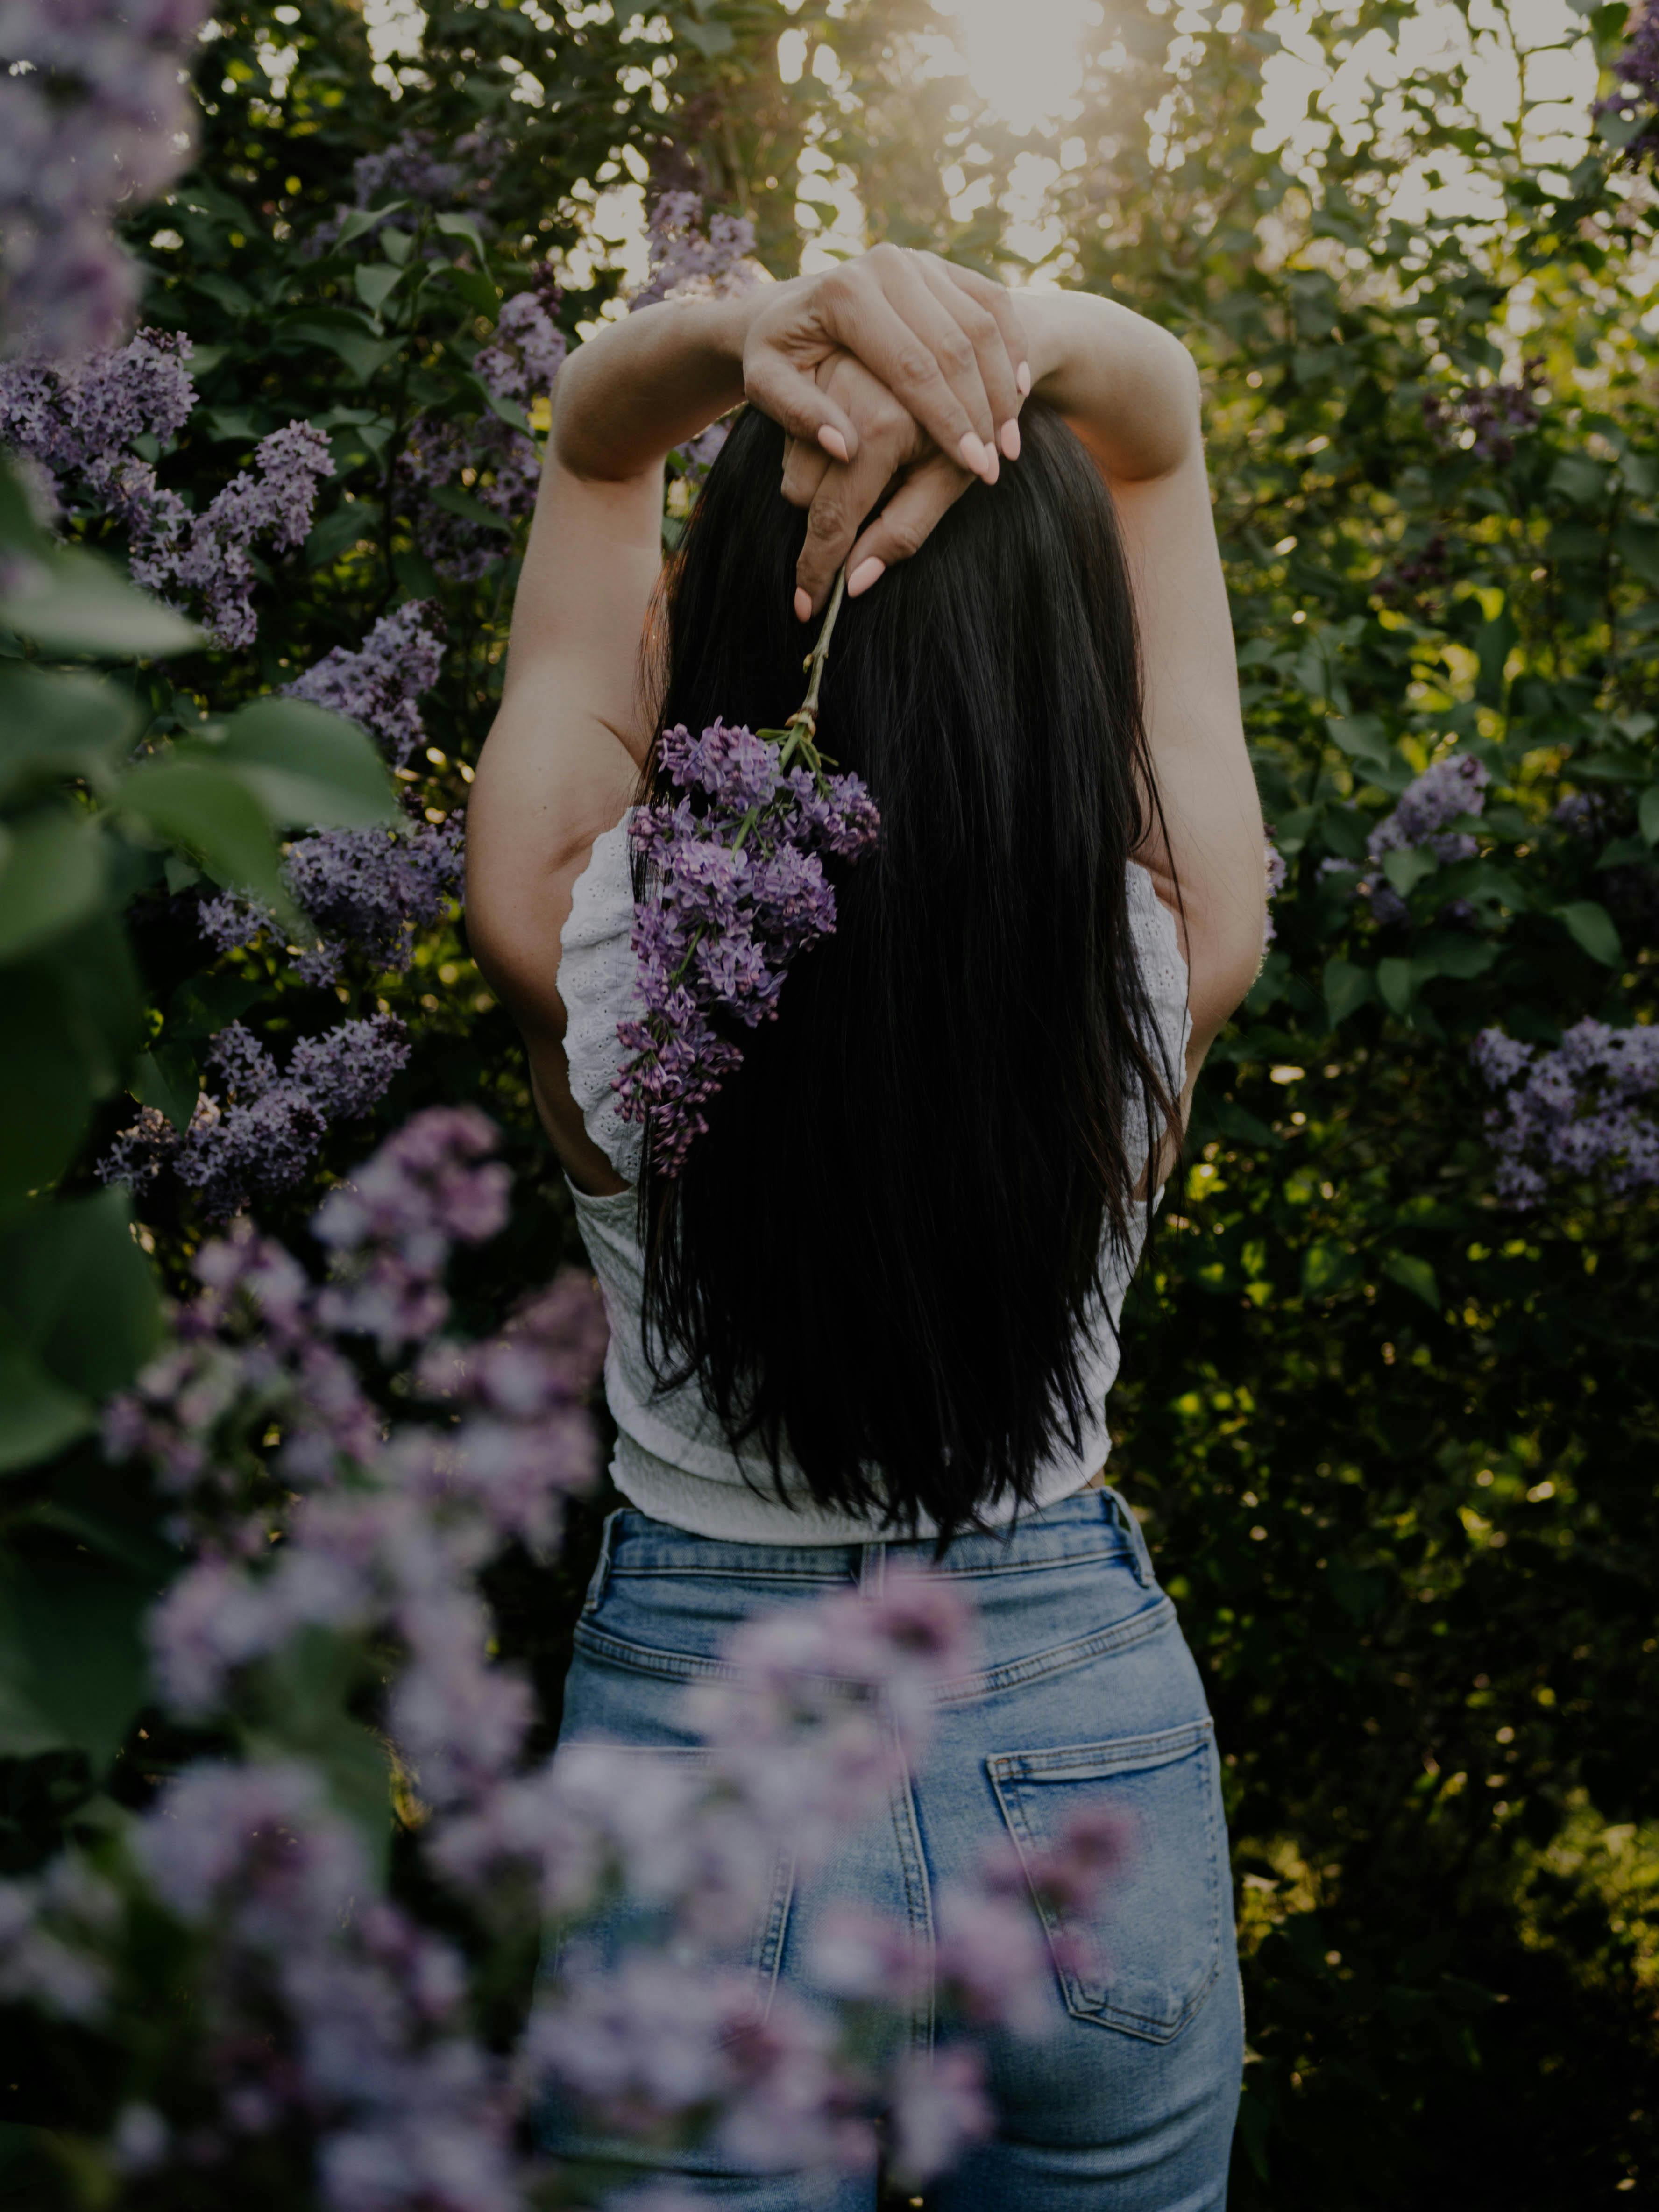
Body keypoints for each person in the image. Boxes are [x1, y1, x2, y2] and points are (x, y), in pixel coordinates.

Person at [468, 244, 1267, 2211]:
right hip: (1087, 1739)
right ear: (1071, 654)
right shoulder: (1168, 940)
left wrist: (743, 343)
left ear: (726, 628)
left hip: (699, 1753)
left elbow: (589, 452)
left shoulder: (581, 934)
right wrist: (1033, 350)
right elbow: (1160, 462)